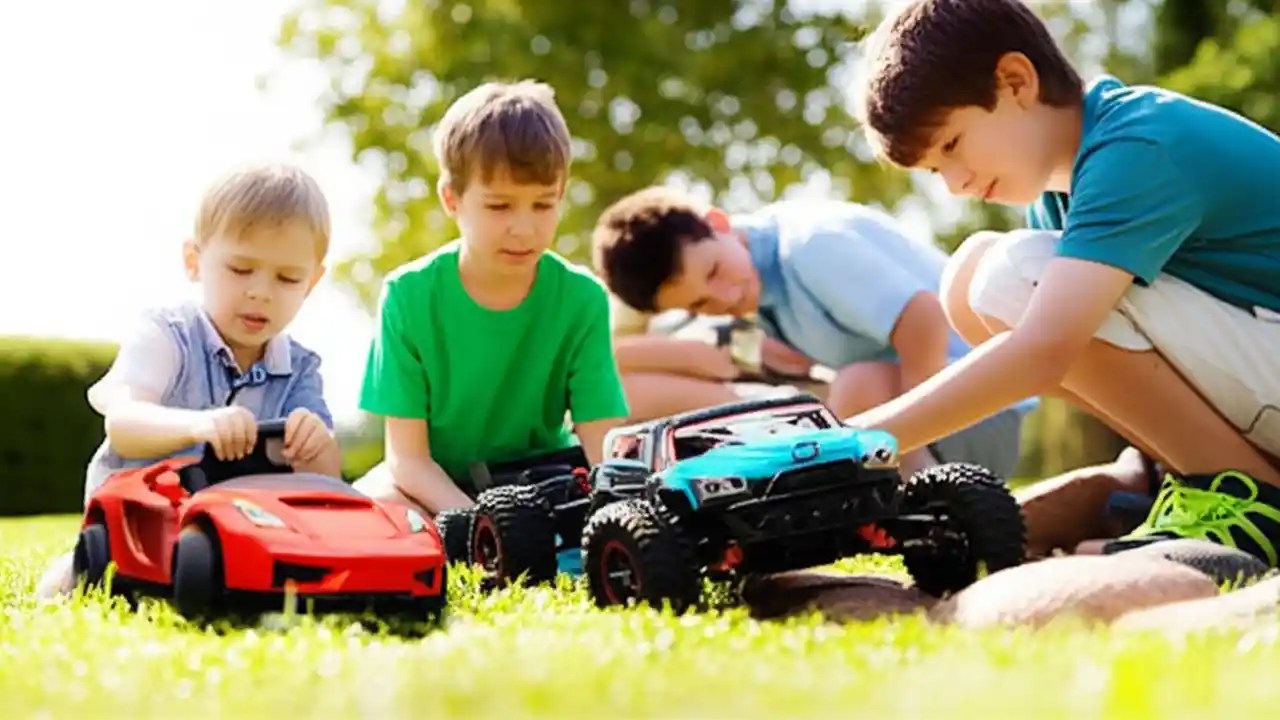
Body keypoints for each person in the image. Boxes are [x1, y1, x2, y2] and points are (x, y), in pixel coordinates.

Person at [852, 0, 1280, 565]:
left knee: (1008, 277)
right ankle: (1201, 479)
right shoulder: (1063, 196)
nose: (954, 184)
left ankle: (1245, 499)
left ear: (1016, 81)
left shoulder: (1137, 146)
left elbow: (1044, 352)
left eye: (952, 144)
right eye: (936, 169)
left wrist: (855, 444)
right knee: (972, 280)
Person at [36, 163, 341, 598]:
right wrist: (199, 425)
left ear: (310, 282)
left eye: (287, 278)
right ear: (195, 262)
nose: (260, 291)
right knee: (75, 584)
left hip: (241, 530)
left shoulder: (299, 368)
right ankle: (70, 575)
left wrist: (316, 443)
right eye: (240, 269)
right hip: (142, 517)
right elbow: (122, 424)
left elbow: (327, 476)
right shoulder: (166, 335)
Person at [591, 186, 1034, 480]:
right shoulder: (757, 293)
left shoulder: (810, 248)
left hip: (980, 409)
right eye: (700, 304)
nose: (724, 297)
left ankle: (924, 496)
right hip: (904, 404)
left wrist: (923, 422)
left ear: (720, 224)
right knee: (791, 405)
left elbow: (924, 316)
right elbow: (726, 357)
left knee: (857, 383)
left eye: (714, 271)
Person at [351, 80, 629, 517]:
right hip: (433, 484)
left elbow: (603, 446)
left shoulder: (582, 298)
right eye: (500, 207)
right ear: (452, 199)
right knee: (375, 505)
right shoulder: (407, 296)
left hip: (539, 481)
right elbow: (407, 459)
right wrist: (483, 524)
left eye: (543, 205)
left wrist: (622, 512)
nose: (524, 228)